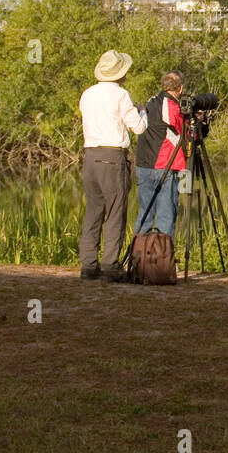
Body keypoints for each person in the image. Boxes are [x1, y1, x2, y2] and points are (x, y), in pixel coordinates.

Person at [78, 50, 148, 281]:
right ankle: (110, 265)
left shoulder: (87, 94)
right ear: (121, 74)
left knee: (93, 211)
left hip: (90, 156)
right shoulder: (121, 95)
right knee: (115, 212)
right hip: (112, 156)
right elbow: (138, 127)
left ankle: (88, 265)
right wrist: (142, 111)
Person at [134, 72, 186, 237]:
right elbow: (183, 134)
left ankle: (139, 256)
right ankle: (163, 258)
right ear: (180, 88)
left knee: (145, 213)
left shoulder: (151, 101)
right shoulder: (173, 107)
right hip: (165, 165)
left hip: (143, 164)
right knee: (166, 215)